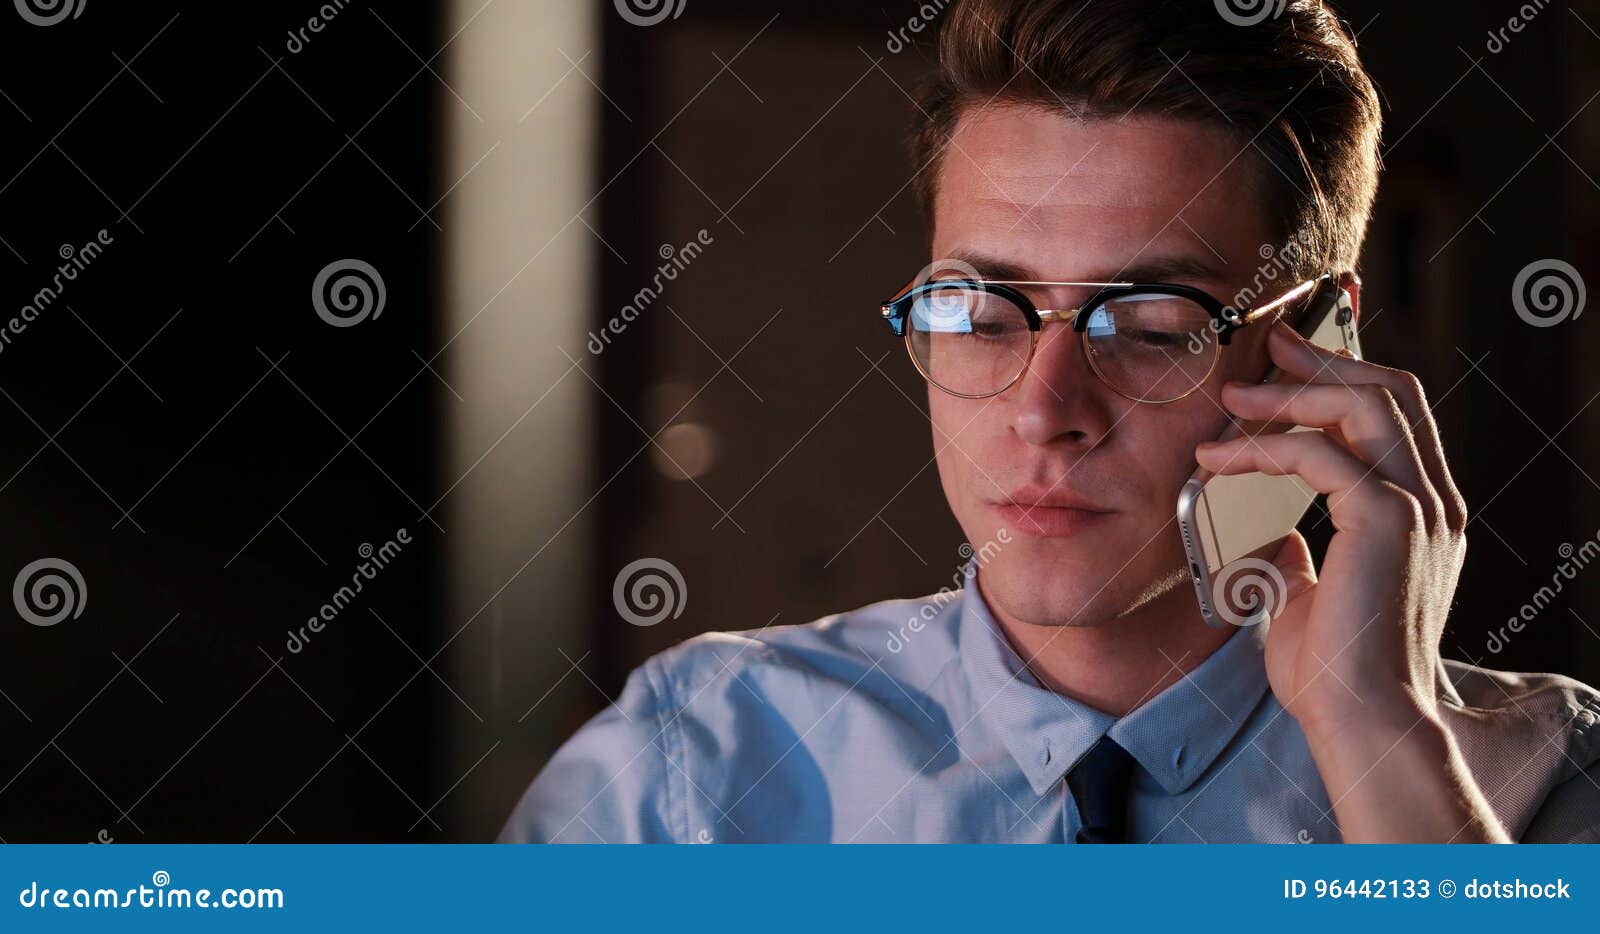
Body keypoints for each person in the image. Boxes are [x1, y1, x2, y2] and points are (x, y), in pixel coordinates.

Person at [500, 0, 1600, 843]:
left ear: (1321, 339)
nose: (1044, 410)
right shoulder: (687, 770)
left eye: (1153, 324)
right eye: (980, 314)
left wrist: (1381, 740)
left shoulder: (1546, 780)